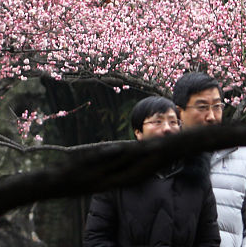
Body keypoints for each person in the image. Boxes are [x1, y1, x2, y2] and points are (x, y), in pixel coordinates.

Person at [83, 95, 221, 247]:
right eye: (157, 121)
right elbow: (96, 238)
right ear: (138, 132)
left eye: (173, 122)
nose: (167, 128)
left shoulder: (197, 177)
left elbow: (209, 239)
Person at [173, 73, 246, 247]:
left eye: (217, 106)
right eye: (202, 107)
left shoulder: (245, 157)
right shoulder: (159, 156)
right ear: (179, 112)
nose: (212, 116)